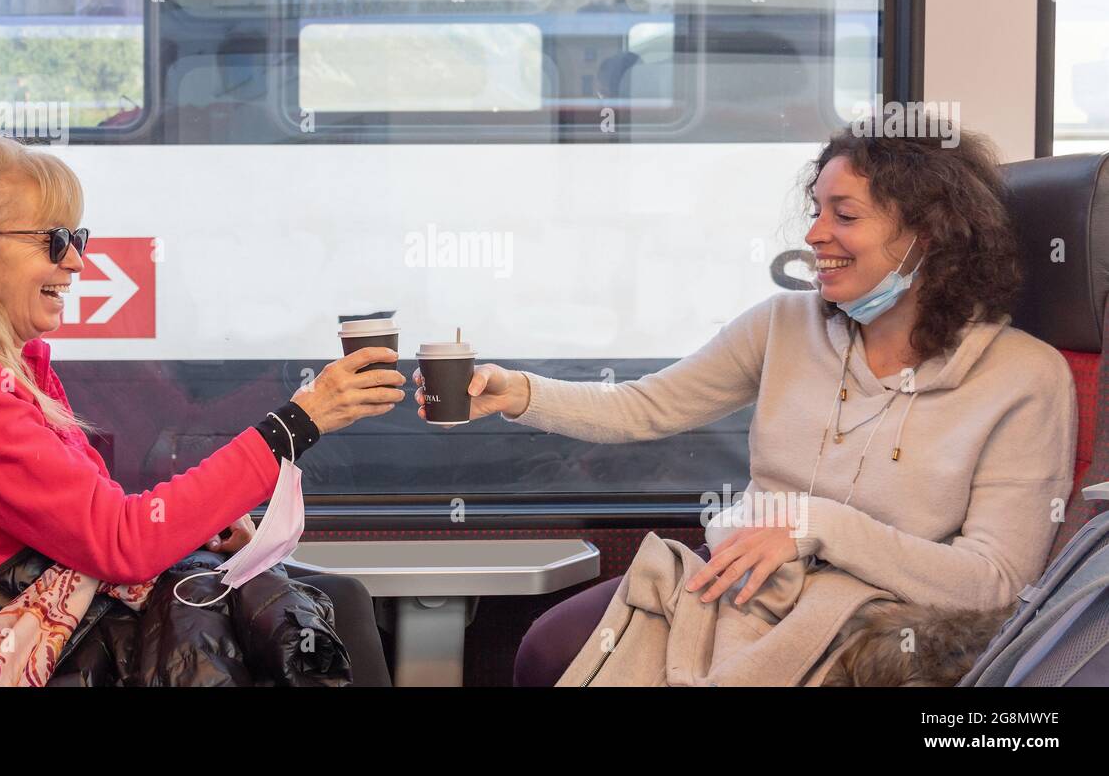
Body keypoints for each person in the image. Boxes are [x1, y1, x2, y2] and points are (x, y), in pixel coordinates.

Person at [414, 121, 1078, 686]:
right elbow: (642, 406)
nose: (815, 233)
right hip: (746, 580)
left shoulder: (1024, 376)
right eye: (815, 209)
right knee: (549, 650)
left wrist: (813, 527)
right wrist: (518, 393)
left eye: (844, 215)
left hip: (875, 607)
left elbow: (994, 581)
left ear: (926, 237)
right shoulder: (783, 324)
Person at [0, 134, 402, 685]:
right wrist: (299, 422)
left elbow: (96, 520)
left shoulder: (14, 366)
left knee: (337, 600)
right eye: (54, 240)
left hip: (52, 613)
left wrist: (201, 528)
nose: (76, 260)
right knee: (312, 623)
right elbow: (119, 540)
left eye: (77, 236)